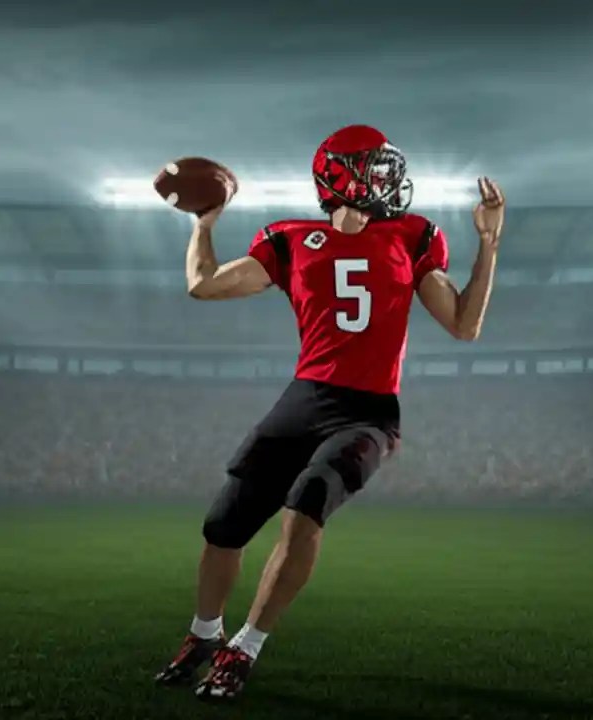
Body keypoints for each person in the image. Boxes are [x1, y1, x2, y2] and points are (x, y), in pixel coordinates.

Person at [154, 124, 505, 700]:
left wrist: (488, 247)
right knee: (223, 526)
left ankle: (244, 647)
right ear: (339, 175)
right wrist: (204, 224)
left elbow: (465, 325)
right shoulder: (290, 239)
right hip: (305, 397)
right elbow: (203, 285)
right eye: (376, 167)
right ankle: (204, 635)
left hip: (368, 411)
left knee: (308, 502)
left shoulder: (414, 236)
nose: (392, 178)